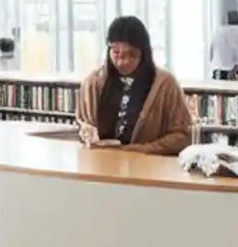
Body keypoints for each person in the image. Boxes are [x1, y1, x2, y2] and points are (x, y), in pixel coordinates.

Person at [75, 16, 192, 155]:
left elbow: (182, 136)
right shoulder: (92, 83)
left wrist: (139, 150)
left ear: (144, 53)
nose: (122, 62)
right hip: (101, 164)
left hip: (148, 167)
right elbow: (82, 124)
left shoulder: (165, 84)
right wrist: (87, 132)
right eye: (116, 53)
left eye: (132, 54)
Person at [209, 10, 238, 80]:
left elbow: (211, 52)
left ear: (227, 19)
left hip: (218, 68)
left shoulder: (218, 32)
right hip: (236, 70)